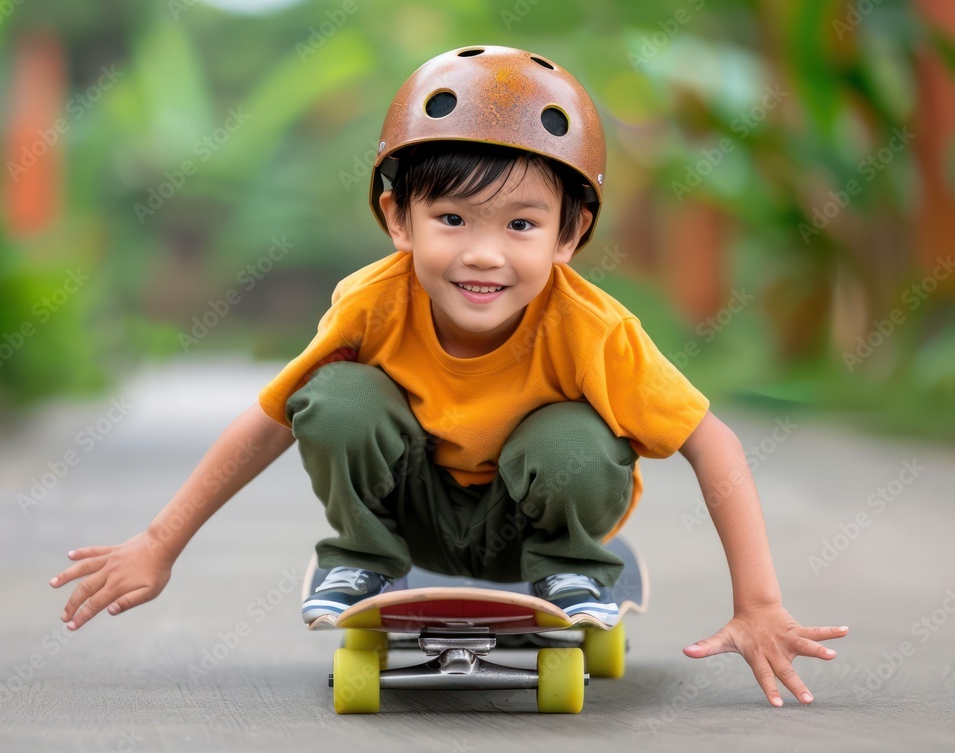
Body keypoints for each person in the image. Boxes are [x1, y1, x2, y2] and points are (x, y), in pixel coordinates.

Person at [51, 45, 847, 706]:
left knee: (574, 435)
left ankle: (572, 573)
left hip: (537, 527)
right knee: (332, 397)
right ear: (399, 219)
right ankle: (362, 557)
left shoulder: (595, 328)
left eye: (523, 224)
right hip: (413, 516)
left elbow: (715, 444)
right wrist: (158, 543)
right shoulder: (371, 302)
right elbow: (271, 418)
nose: (483, 253)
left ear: (571, 234)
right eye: (452, 218)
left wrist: (760, 604)